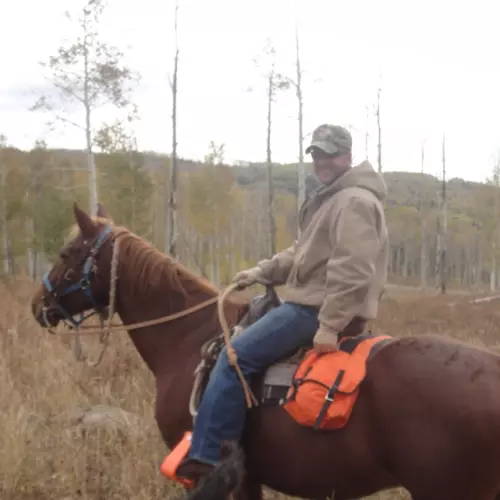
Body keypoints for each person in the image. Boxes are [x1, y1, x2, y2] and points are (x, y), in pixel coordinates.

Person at [177, 123, 389, 482]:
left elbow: (352, 270)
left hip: (315, 310)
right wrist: (262, 272)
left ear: (348, 157)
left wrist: (330, 326)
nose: (322, 161)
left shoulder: (353, 201)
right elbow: (303, 253)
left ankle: (209, 461)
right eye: (317, 154)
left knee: (234, 359)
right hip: (315, 304)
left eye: (330, 154)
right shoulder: (332, 198)